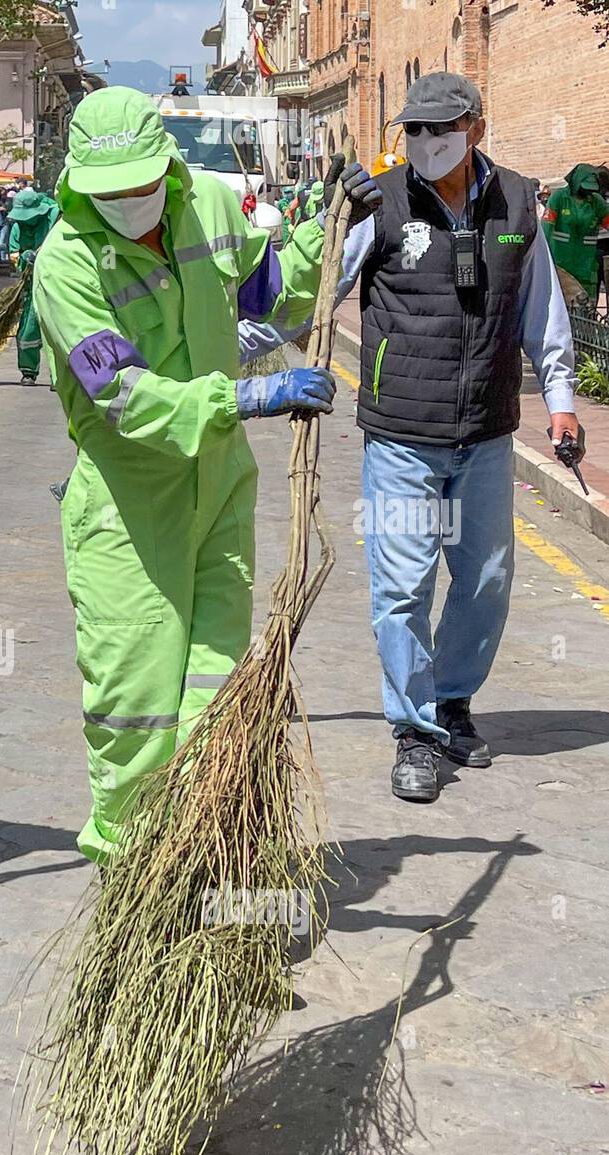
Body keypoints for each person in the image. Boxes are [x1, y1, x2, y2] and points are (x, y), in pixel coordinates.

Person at [32, 87, 369, 861]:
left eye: (140, 185)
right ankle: (131, 871)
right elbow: (121, 395)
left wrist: (333, 224)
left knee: (215, 689)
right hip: (128, 507)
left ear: (169, 169)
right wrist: (246, 395)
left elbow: (277, 290)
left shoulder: (212, 208)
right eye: (107, 193)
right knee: (134, 707)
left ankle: (196, 849)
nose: (127, 203)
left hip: (219, 490)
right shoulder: (66, 265)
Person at [244, 73, 580, 803]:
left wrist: (559, 402)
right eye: (415, 131)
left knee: (485, 584)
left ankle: (453, 700)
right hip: (400, 434)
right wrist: (250, 347)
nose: (426, 143)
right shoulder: (383, 204)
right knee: (402, 588)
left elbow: (541, 310)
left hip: (486, 433)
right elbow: (315, 289)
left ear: (476, 128)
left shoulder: (519, 202)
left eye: (441, 129)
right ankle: (413, 730)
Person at [6, 186, 58, 384]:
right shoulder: (18, 227)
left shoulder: (54, 218)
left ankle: (58, 376)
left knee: (56, 331)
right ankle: (28, 370)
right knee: (29, 328)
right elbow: (14, 255)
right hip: (32, 283)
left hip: (56, 282)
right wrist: (23, 258)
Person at [542, 163, 609, 306]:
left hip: (587, 268)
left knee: (586, 314)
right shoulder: (559, 198)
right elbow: (545, 230)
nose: (588, 191)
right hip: (562, 268)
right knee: (564, 312)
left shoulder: (597, 202)